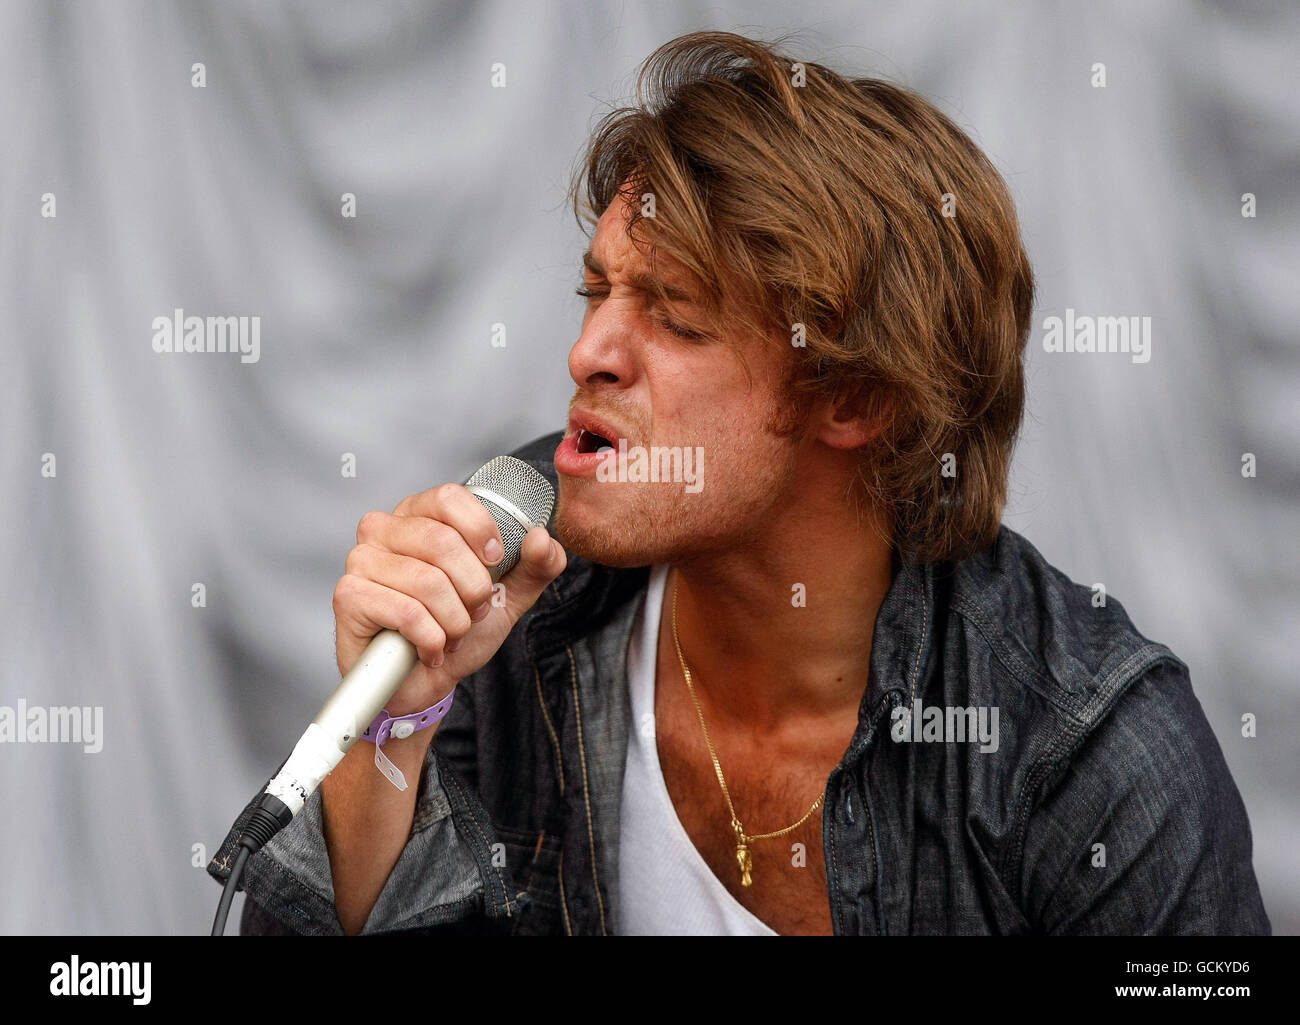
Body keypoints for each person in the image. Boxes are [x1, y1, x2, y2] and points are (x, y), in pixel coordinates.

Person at [208, 30, 1270, 935]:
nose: (590, 351)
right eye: (597, 292)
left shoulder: (1086, 748)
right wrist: (388, 730)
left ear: (853, 399)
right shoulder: (511, 582)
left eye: (673, 314)